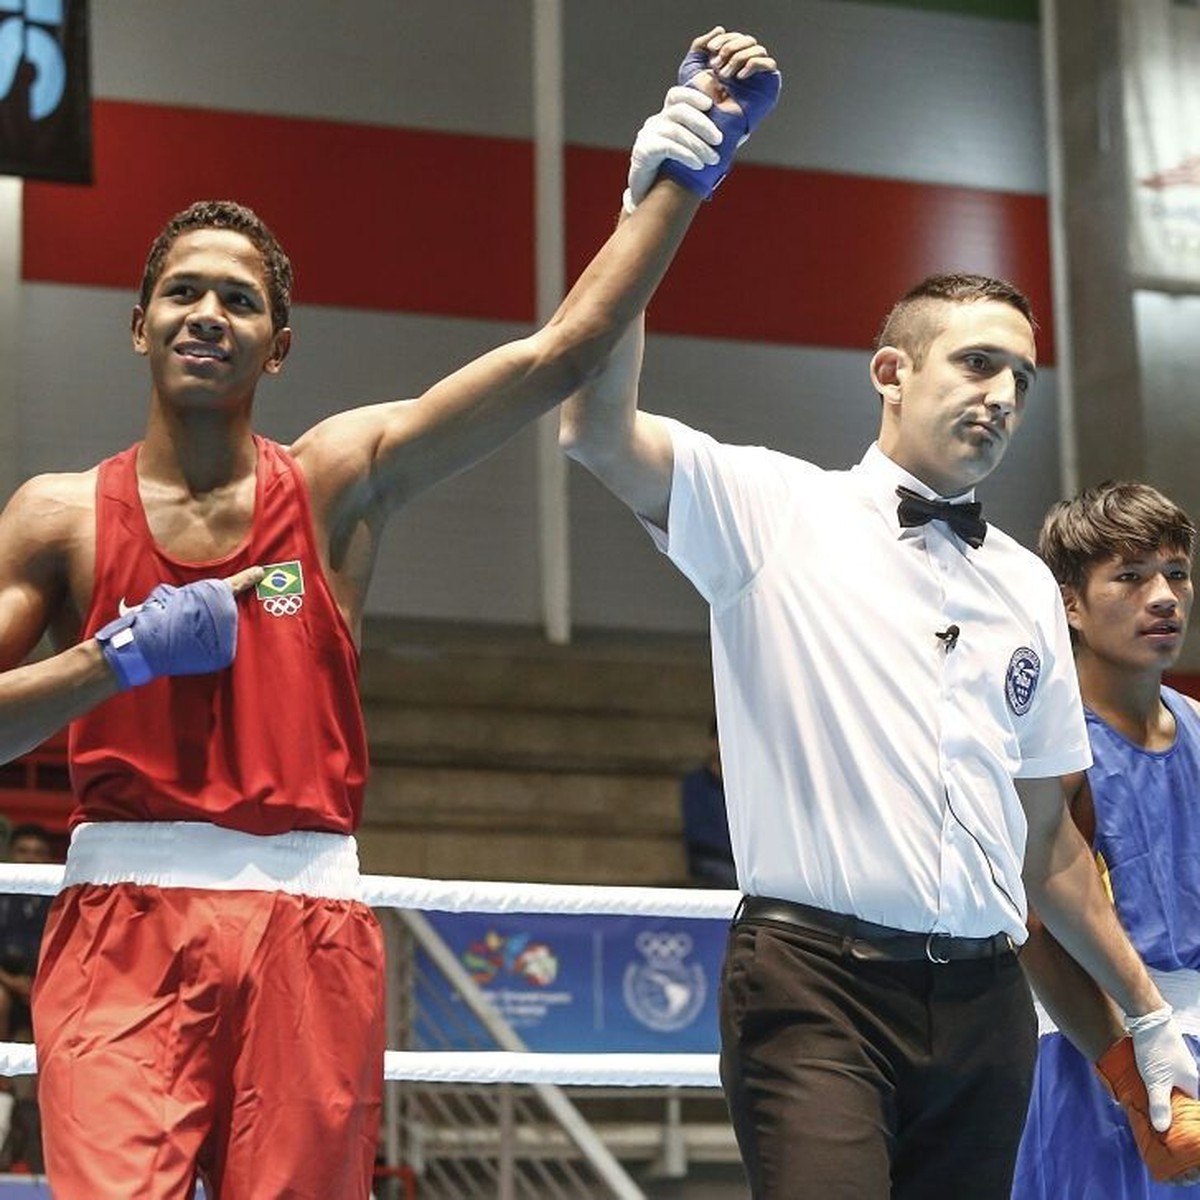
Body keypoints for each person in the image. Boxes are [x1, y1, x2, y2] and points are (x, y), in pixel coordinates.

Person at [0, 27, 781, 1198]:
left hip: (306, 926)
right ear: (139, 323)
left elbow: (561, 356)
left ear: (280, 342)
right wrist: (117, 658)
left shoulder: (332, 481)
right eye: (182, 292)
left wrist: (672, 171)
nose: (208, 313)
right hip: (120, 922)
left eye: (239, 298)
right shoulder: (58, 516)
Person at [559, 271, 1200, 1198]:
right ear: (890, 372)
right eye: (979, 363)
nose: (1004, 396)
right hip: (818, 987)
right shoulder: (775, 512)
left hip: (987, 1004)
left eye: (1022, 376)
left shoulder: (1024, 585)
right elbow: (597, 432)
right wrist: (649, 211)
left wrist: (1144, 1020)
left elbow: (1046, 843)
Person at [1013, 481, 1200, 1196]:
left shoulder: (1199, 729)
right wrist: (1128, 1071)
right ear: (1070, 604)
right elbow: (1032, 929)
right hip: (1094, 1062)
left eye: (1177, 573)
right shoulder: (1050, 750)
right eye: (1130, 575)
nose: (1163, 597)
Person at [0, 823, 55, 1173]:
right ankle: (1, 1081)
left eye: (37, 853)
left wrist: (36, 984)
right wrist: (9, 981)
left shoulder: (63, 895)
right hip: (4, 983)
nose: (30, 858)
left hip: (47, 985)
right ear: (10, 855)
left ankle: (56, 1086)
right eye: (24, 852)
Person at [680, 717, 736, 887]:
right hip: (711, 860)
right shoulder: (695, 783)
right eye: (720, 737)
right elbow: (697, 832)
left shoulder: (744, 786)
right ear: (712, 742)